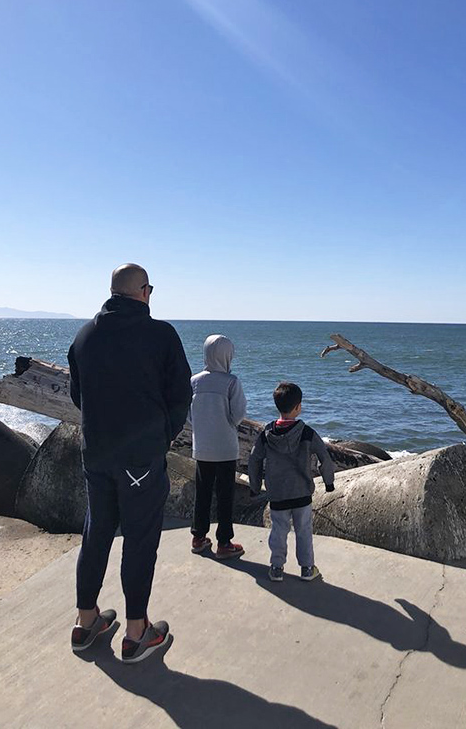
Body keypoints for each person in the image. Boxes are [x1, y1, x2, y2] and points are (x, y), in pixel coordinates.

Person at [67, 263, 192, 664]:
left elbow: (76, 395)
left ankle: (86, 621)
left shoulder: (85, 335)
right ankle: (138, 633)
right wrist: (160, 437)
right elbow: (180, 395)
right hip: (139, 458)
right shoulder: (160, 334)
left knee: (97, 532)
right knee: (139, 541)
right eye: (150, 289)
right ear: (142, 292)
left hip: (96, 454)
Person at [248, 382, 335, 582]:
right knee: (304, 531)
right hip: (302, 493)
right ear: (298, 407)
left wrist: (254, 487)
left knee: (278, 530)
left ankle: (277, 567)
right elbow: (325, 457)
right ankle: (307, 568)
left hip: (277, 493)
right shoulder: (306, 433)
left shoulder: (267, 434)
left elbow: (254, 459)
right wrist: (328, 482)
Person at [189, 334, 247, 559]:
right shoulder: (231, 382)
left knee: (202, 493)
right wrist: (226, 424)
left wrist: (203, 427)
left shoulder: (194, 381)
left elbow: (189, 415)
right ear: (227, 355)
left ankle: (198, 537)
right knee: (225, 495)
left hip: (202, 447)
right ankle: (224, 542)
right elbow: (239, 414)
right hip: (225, 448)